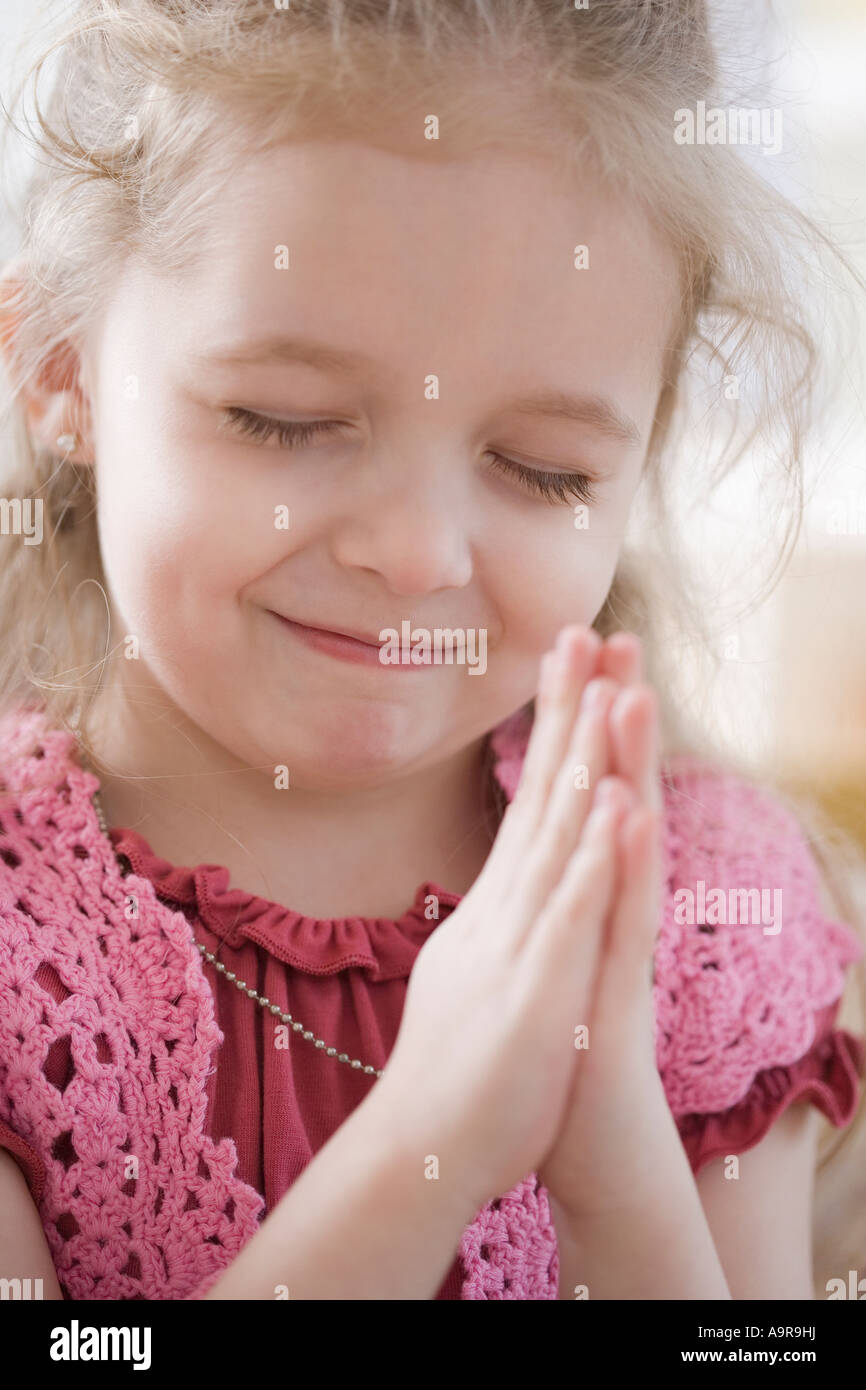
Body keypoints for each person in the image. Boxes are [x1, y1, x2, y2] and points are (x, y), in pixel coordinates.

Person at [0, 0, 863, 1301]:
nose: (413, 555)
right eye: (282, 420)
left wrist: (614, 1158)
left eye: (539, 468)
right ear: (62, 367)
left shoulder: (700, 909)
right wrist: (430, 1142)